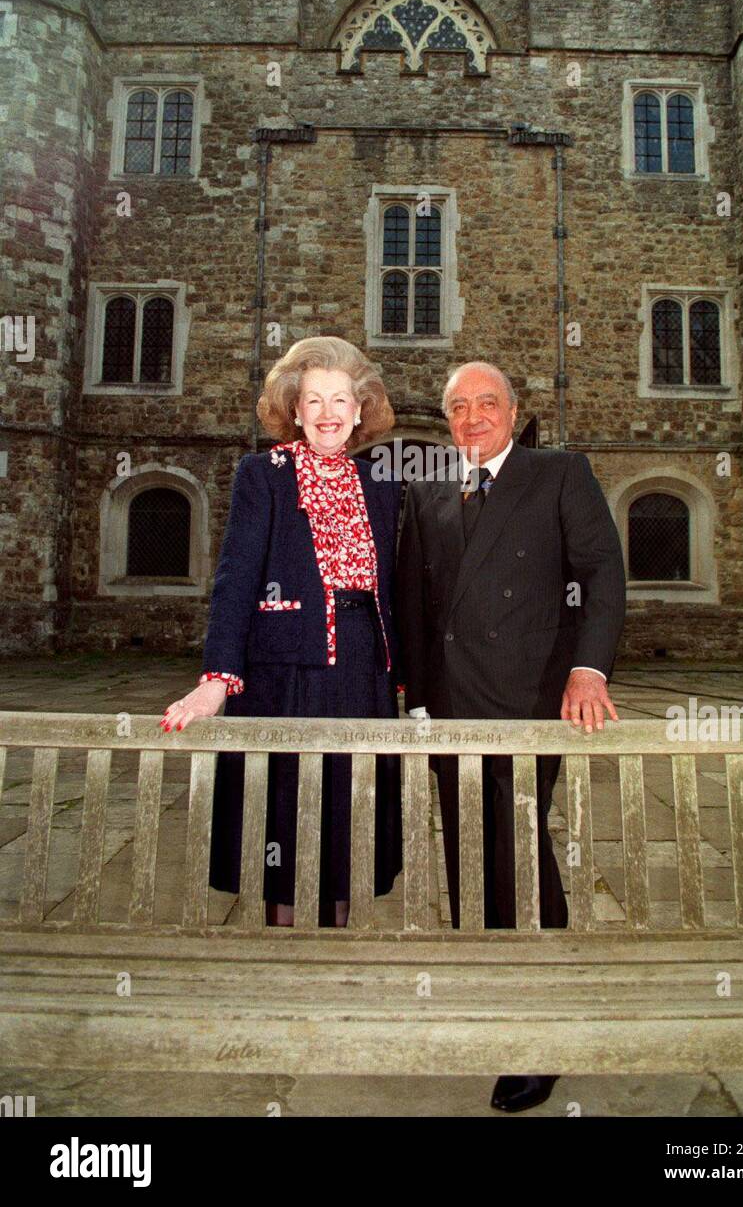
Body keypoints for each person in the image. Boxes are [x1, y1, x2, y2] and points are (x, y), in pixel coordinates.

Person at [397, 361, 626, 1112]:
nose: (471, 418)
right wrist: (412, 695)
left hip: (528, 700)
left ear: (513, 410)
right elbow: (413, 599)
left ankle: (543, 1027)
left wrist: (589, 670)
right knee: (469, 854)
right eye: (457, 407)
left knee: (517, 851)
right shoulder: (430, 488)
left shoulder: (558, 473)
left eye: (485, 404)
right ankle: (492, 991)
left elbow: (601, 574)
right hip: (448, 708)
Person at [160, 336, 402, 929]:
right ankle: (282, 940)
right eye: (314, 400)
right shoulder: (263, 474)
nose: (327, 413)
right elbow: (237, 576)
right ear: (294, 410)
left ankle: (340, 937)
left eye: (340, 400)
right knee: (286, 810)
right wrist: (217, 678)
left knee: (351, 803)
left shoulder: (383, 484)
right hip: (284, 667)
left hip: (362, 667)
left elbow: (401, 588)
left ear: (359, 409)